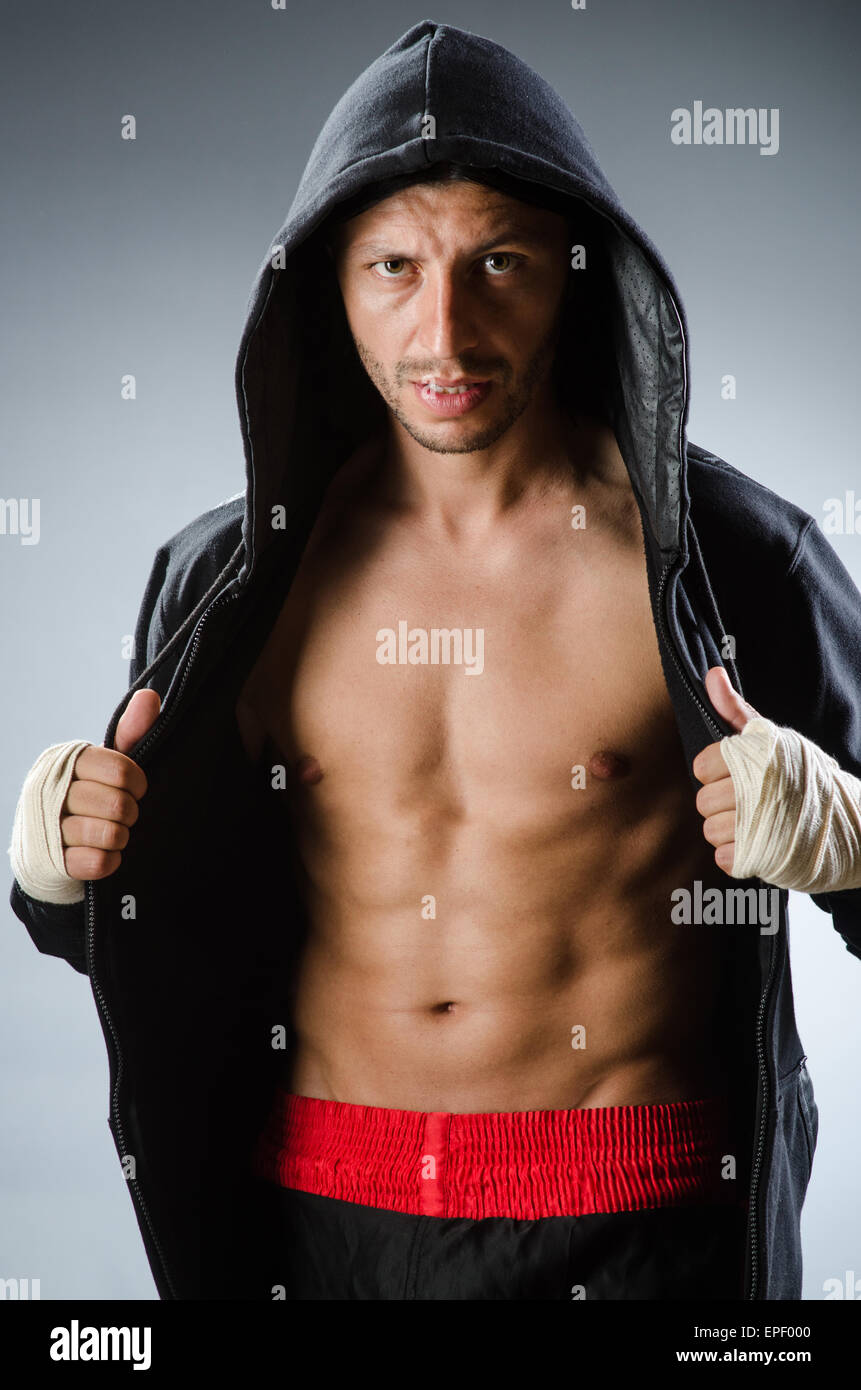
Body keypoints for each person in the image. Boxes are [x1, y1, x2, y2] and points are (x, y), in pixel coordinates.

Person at [8, 20, 861, 1301]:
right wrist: (51, 871)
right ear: (327, 288)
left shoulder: (736, 559)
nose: (445, 330)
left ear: (577, 273)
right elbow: (146, 931)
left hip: (645, 1228)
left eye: (498, 262)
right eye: (393, 265)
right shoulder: (235, 581)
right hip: (322, 1224)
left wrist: (850, 835)